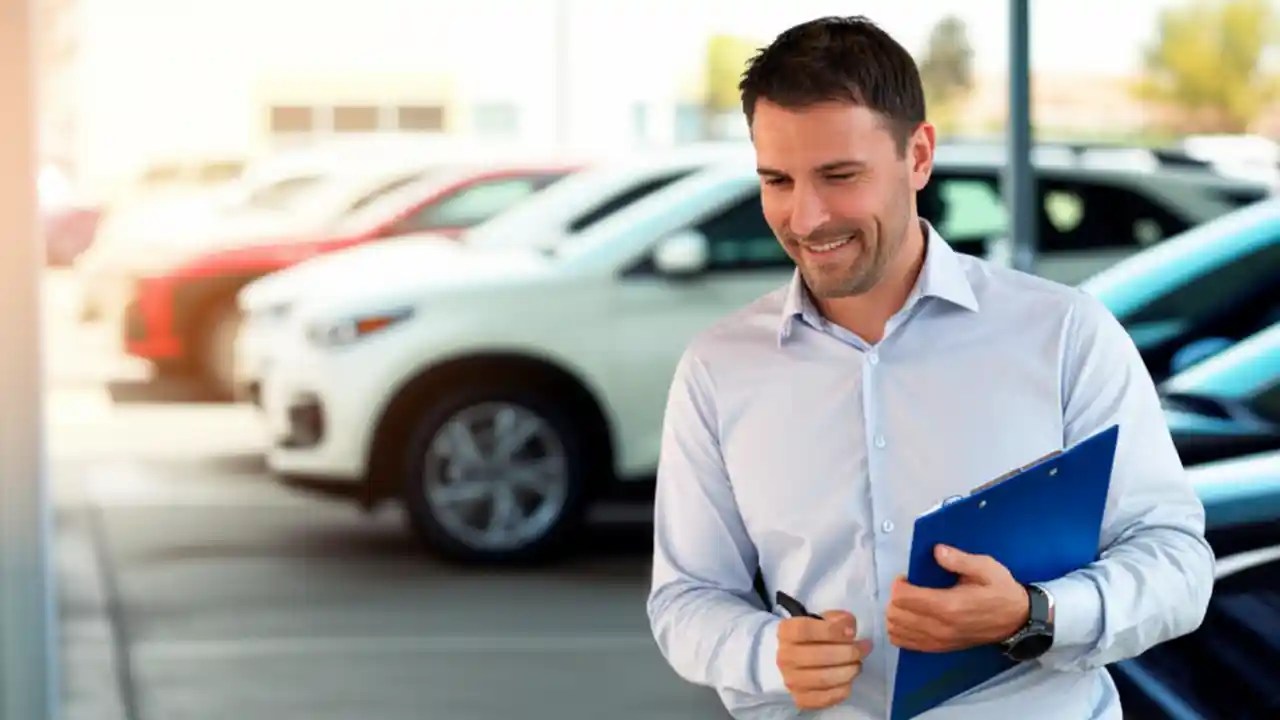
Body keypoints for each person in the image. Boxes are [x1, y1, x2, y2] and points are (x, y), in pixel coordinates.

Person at [645, 15, 1214, 720]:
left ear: (918, 156)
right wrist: (765, 652)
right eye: (777, 180)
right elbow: (686, 596)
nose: (806, 216)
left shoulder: (1064, 334)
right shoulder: (719, 368)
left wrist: (1036, 614)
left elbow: (1177, 565)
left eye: (839, 176)